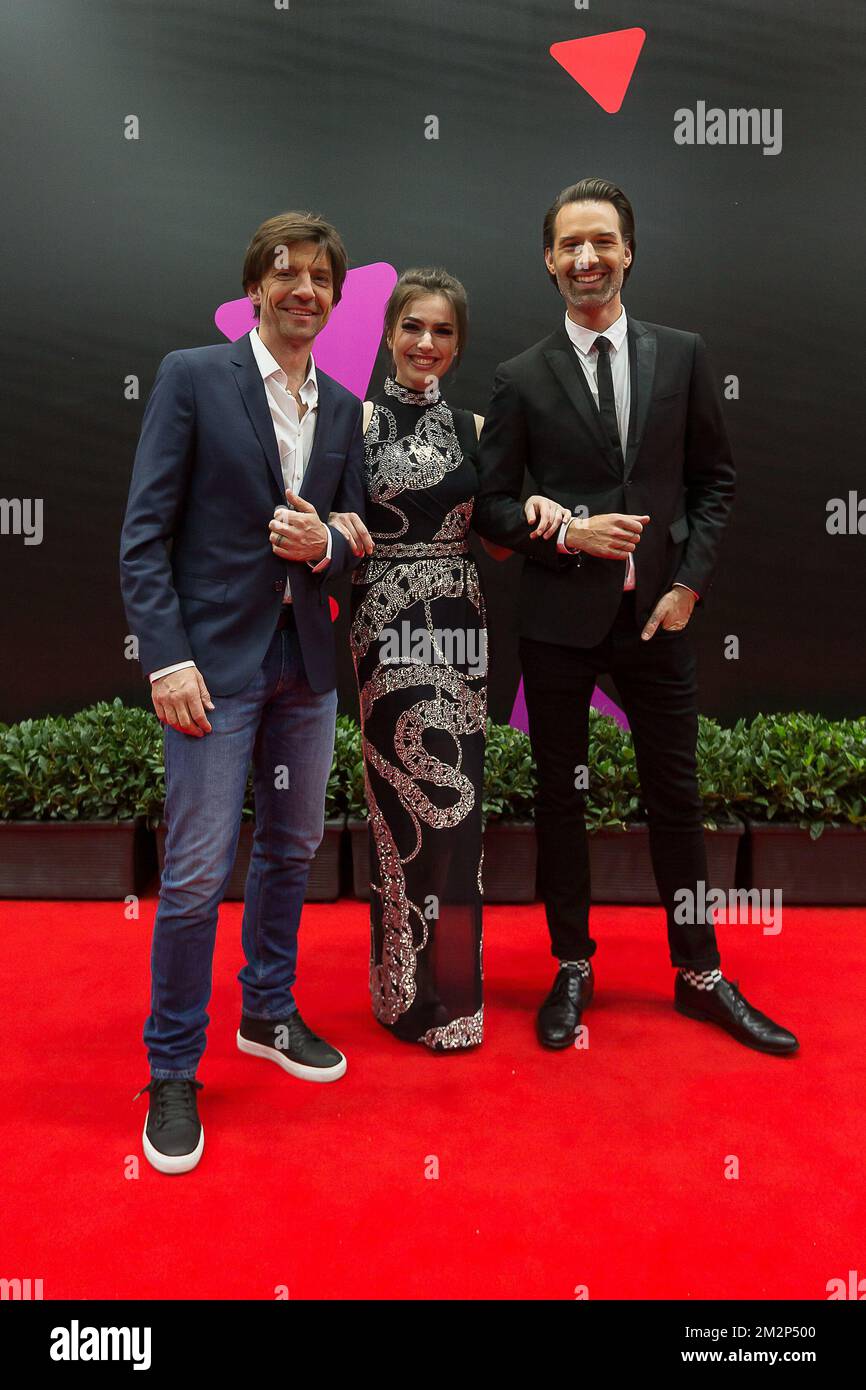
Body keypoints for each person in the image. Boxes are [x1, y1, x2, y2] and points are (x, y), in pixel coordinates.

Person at [474, 177, 798, 1056]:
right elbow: (492, 508)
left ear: (629, 251)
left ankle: (700, 976)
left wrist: (688, 585)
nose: (587, 259)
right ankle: (572, 965)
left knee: (677, 800)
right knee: (560, 801)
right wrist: (569, 531)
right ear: (549, 261)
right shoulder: (518, 378)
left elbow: (714, 483)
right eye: (570, 245)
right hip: (557, 623)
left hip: (660, 618)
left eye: (602, 242)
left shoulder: (683, 355)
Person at [120, 211, 366, 1174]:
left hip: (304, 666)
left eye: (319, 276)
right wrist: (165, 658)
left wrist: (333, 543)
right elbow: (144, 534)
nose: (303, 288)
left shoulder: (343, 407)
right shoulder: (191, 377)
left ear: (337, 298)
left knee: (295, 846)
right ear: (256, 287)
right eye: (285, 272)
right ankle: (173, 1067)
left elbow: (347, 531)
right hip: (211, 670)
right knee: (191, 875)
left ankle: (267, 1011)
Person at [328, 267, 568, 1050]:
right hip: (382, 626)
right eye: (412, 327)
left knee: (459, 808)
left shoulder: (473, 427)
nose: (425, 343)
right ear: (390, 333)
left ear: (458, 344)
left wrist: (535, 511)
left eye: (441, 332)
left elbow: (495, 533)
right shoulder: (353, 423)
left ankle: (457, 997)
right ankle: (402, 991)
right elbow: (331, 523)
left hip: (460, 624)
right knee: (398, 806)